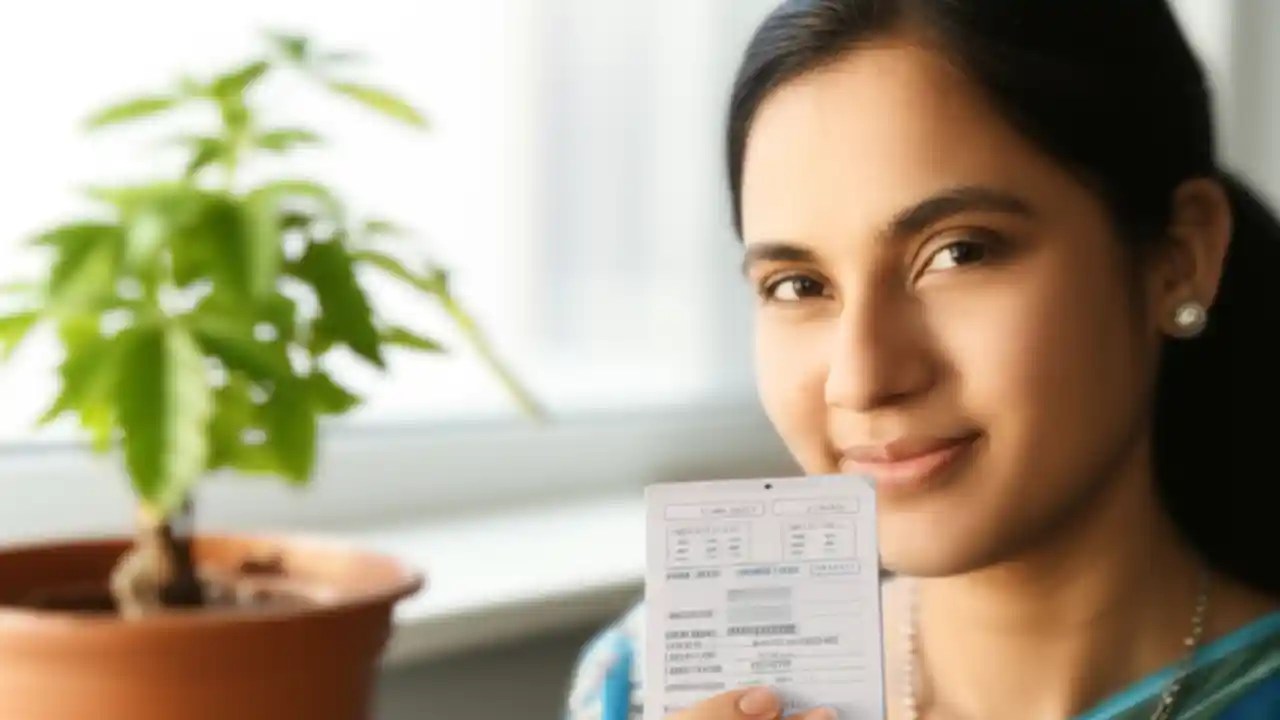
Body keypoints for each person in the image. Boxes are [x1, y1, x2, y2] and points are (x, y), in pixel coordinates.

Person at [564, 1, 1280, 718]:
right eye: (798, 285)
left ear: (1179, 260)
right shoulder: (646, 693)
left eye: (958, 252)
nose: (863, 379)